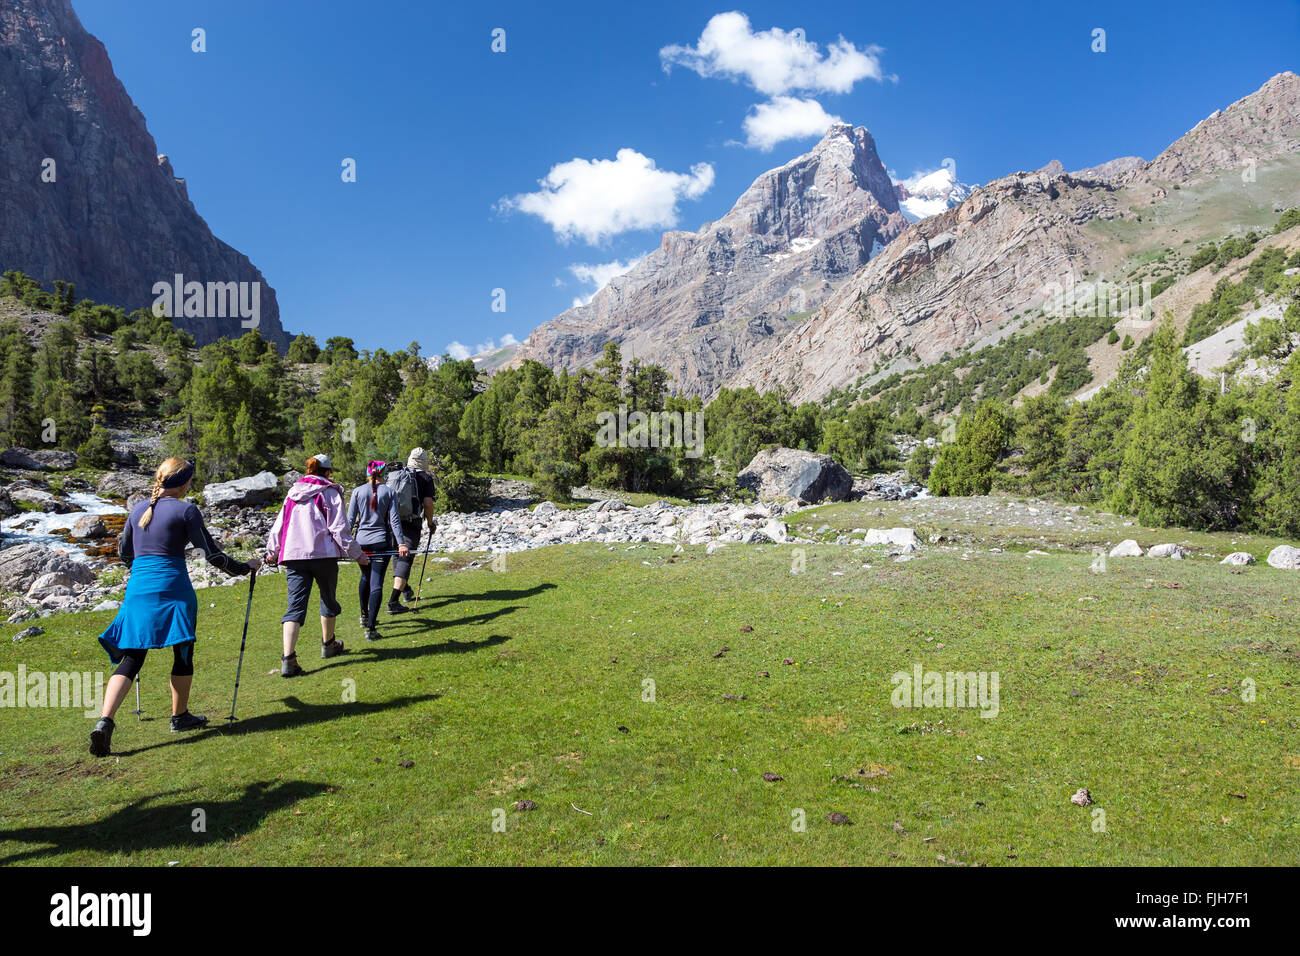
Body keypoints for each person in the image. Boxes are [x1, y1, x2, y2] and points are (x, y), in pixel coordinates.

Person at [90, 457, 261, 757]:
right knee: (183, 652)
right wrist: (245, 567)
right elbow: (212, 555)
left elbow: (124, 554)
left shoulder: (138, 510)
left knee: (131, 657)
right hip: (173, 589)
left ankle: (105, 722)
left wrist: (144, 570)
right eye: (190, 480)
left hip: (139, 590)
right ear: (182, 483)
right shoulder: (186, 510)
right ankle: (179, 717)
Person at [265, 454, 369, 677]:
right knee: (328, 598)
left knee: (295, 606)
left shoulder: (292, 494)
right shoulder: (329, 492)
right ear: (328, 472)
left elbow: (279, 526)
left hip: (293, 556)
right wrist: (357, 554)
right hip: (323, 555)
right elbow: (339, 528)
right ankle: (328, 645)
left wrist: (272, 552)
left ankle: (288, 659)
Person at [347, 461, 409, 641]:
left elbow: (350, 521)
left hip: (361, 543)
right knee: (376, 583)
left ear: (367, 473)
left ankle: (364, 615)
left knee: (365, 577)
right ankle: (371, 629)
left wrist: (344, 544)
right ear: (384, 474)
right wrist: (401, 543)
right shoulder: (389, 492)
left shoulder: (357, 491)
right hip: (381, 543)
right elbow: (394, 521)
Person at [385, 447, 437, 615]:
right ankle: (393, 601)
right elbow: (428, 504)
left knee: (397, 554)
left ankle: (406, 590)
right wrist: (430, 523)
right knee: (405, 558)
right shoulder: (425, 477)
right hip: (411, 522)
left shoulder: (397, 474)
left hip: (391, 521)